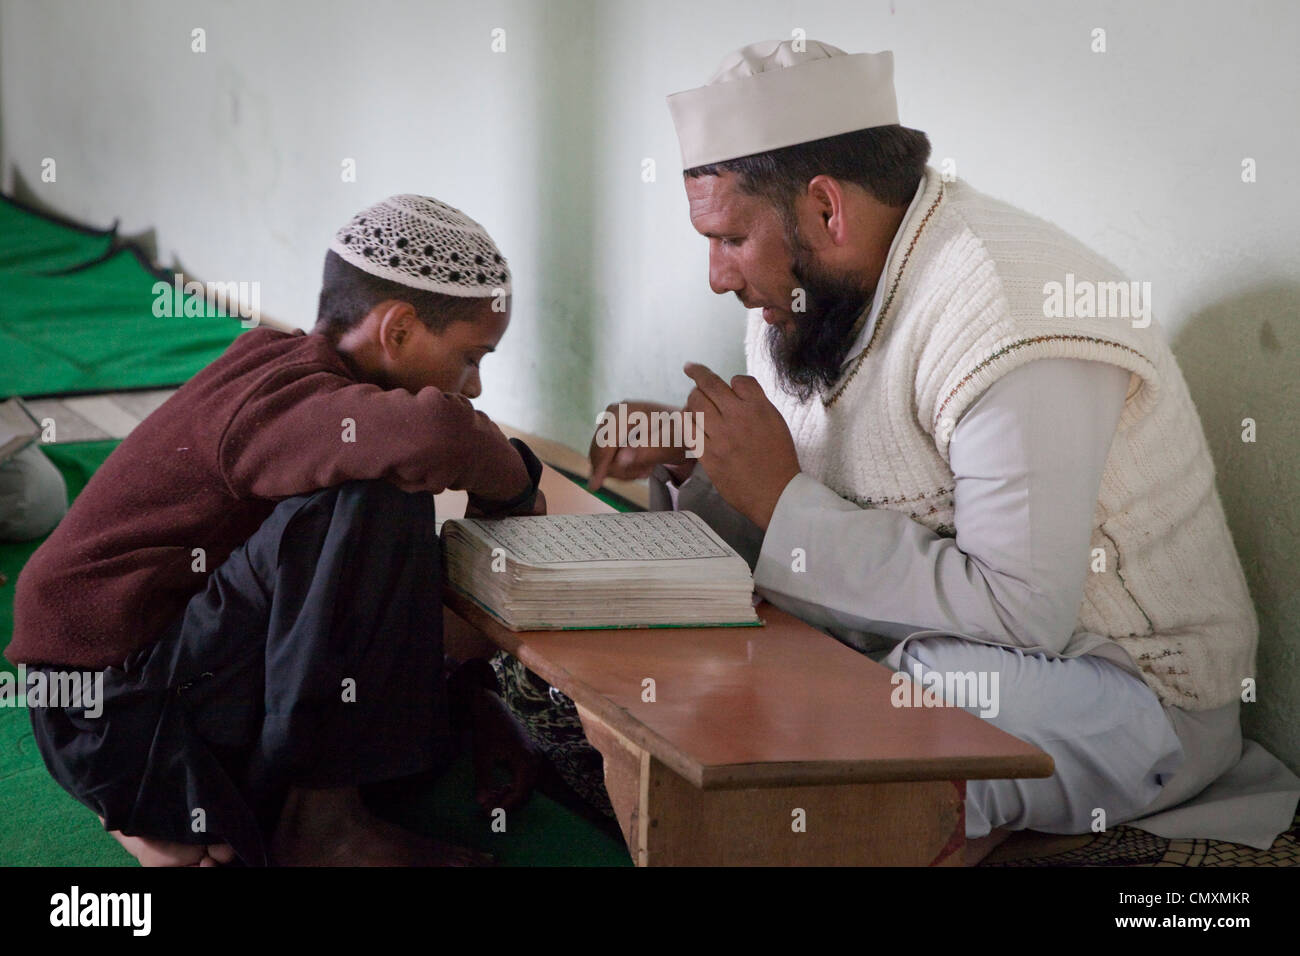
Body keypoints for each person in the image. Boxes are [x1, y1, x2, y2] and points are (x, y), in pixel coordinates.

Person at [589, 40, 1300, 849]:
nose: (718, 276)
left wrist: (779, 502)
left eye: (729, 239)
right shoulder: (806, 297)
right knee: (735, 669)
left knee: (888, 703)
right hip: (923, 640)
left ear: (827, 209)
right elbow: (812, 485)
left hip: (1126, 688)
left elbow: (1020, 611)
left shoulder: (1008, 314)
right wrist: (702, 460)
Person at [8, 194, 545, 867]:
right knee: (376, 484)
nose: (474, 388)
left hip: (138, 692)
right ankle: (323, 830)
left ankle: (203, 813)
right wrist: (521, 483)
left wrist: (470, 703)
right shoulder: (292, 398)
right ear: (399, 328)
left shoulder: (301, 385)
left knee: (381, 470)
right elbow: (437, 430)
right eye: (471, 358)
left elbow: (341, 602)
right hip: (110, 719)